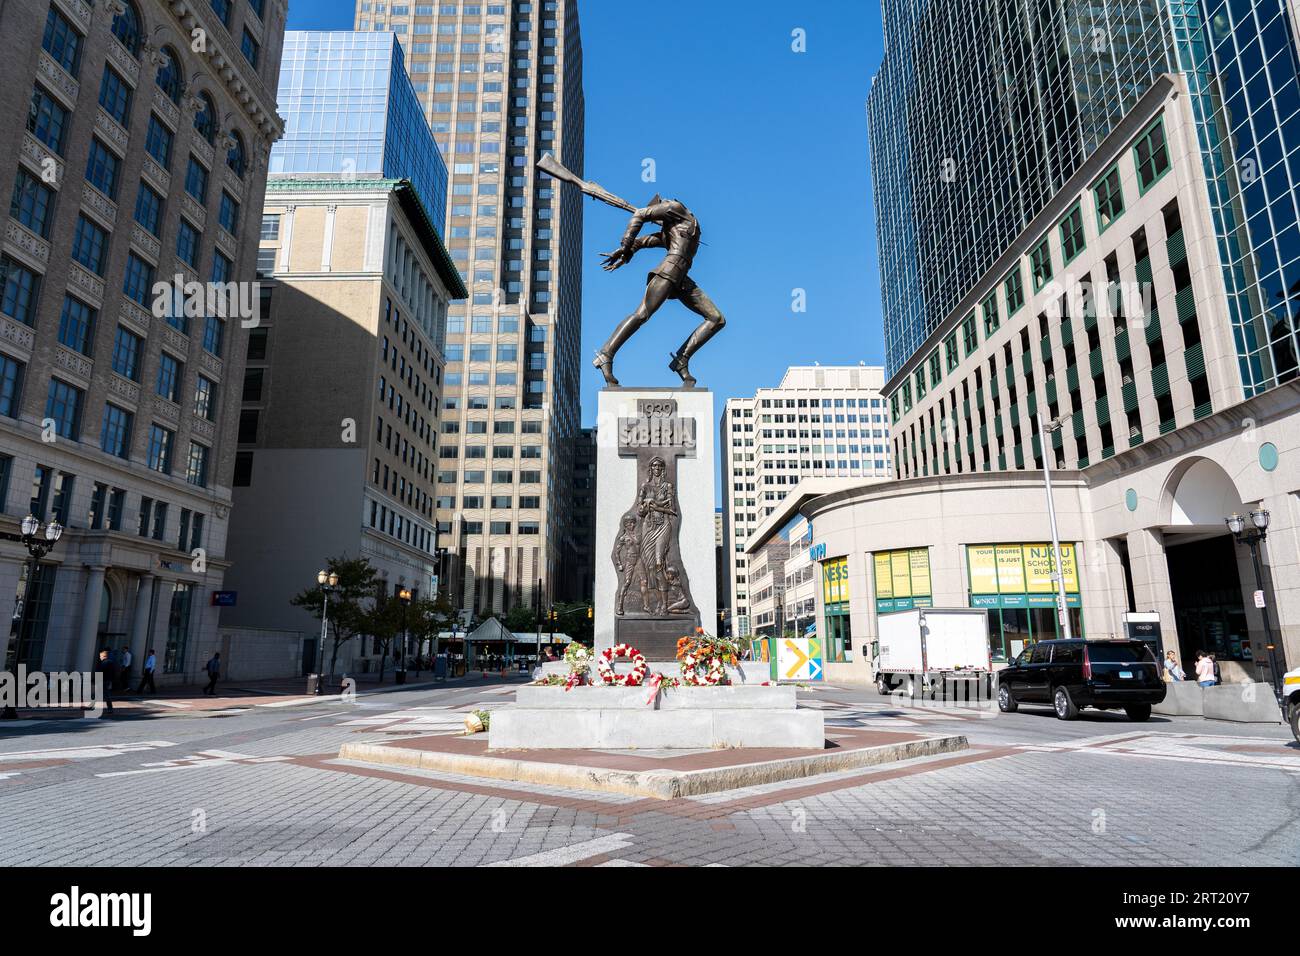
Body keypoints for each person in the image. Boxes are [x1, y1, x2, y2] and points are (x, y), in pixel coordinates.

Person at [95, 649, 116, 714]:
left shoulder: (104, 663)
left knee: (105, 694)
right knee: (101, 694)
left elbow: (100, 672)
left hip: (103, 680)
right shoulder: (111, 662)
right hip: (108, 680)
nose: (100, 657)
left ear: (104, 656)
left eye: (100, 656)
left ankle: (110, 708)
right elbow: (113, 672)